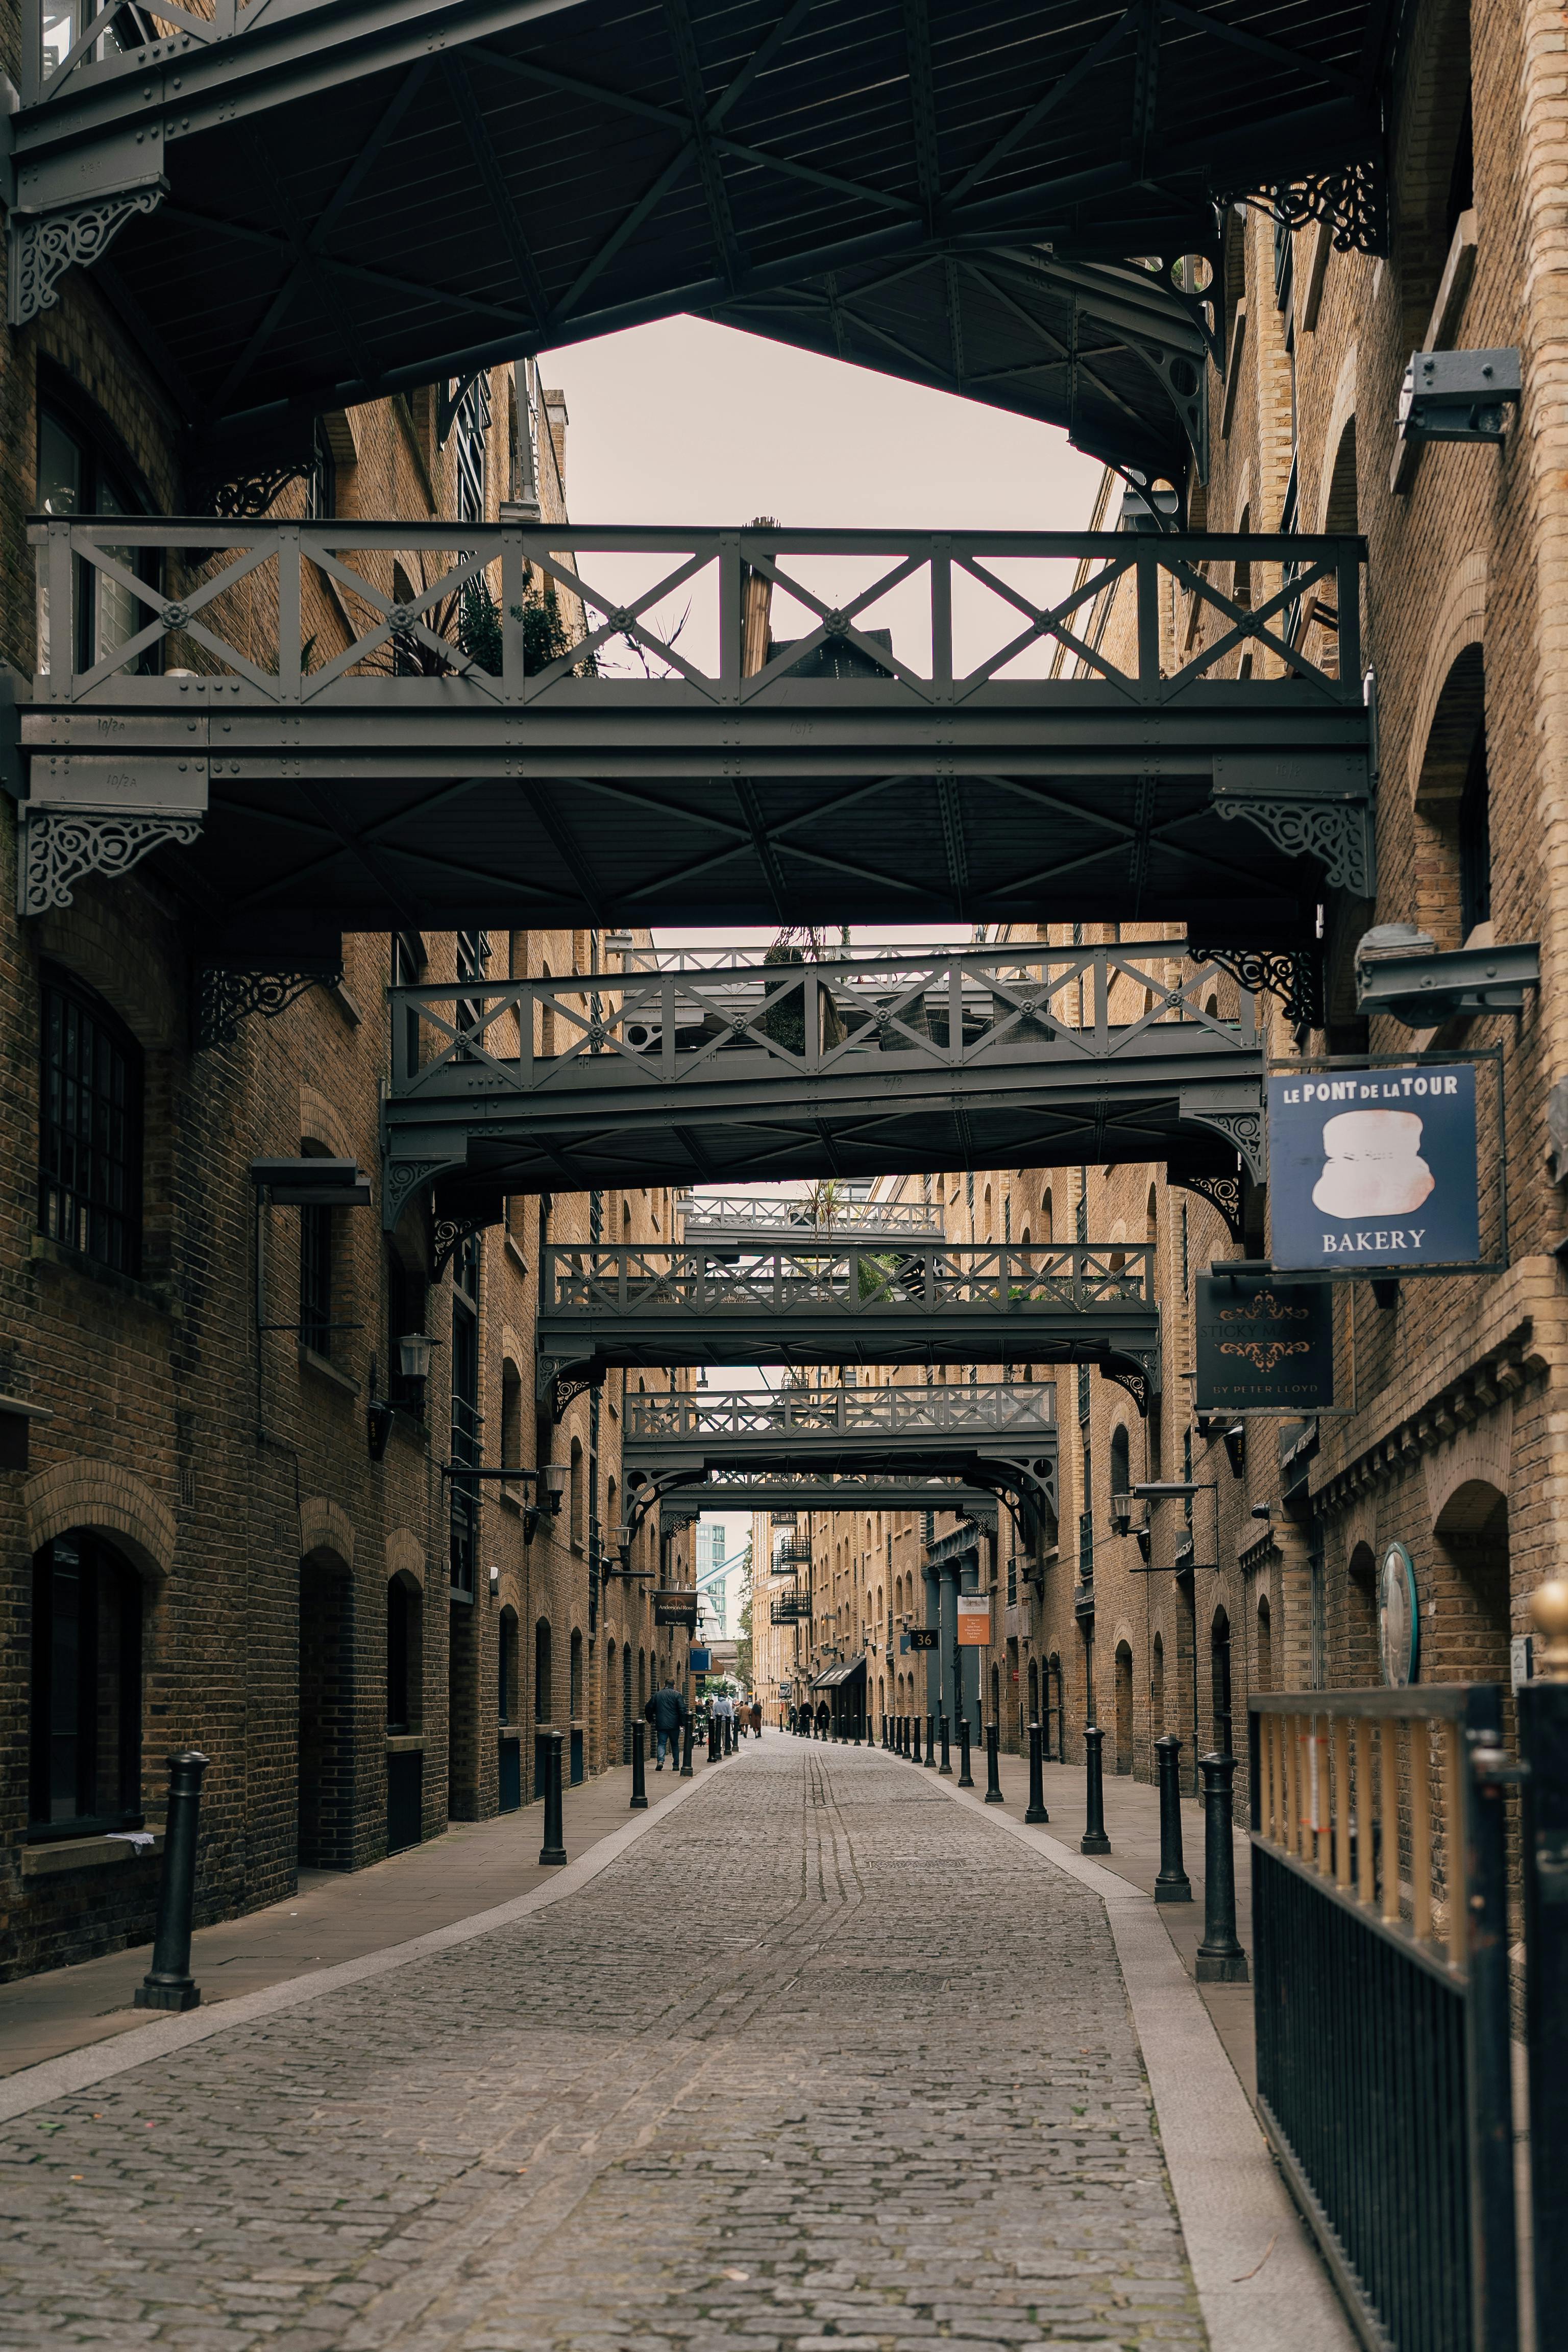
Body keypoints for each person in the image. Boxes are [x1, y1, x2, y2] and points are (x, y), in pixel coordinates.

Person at [650, 1679, 687, 1771]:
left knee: (661, 1744)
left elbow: (649, 1707)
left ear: (665, 1684)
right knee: (675, 1745)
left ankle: (660, 1761)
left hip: (661, 1724)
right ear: (674, 1685)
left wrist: (651, 1719)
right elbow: (682, 1710)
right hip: (674, 1725)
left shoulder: (657, 1695)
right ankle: (676, 1765)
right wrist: (683, 1723)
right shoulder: (677, 1695)